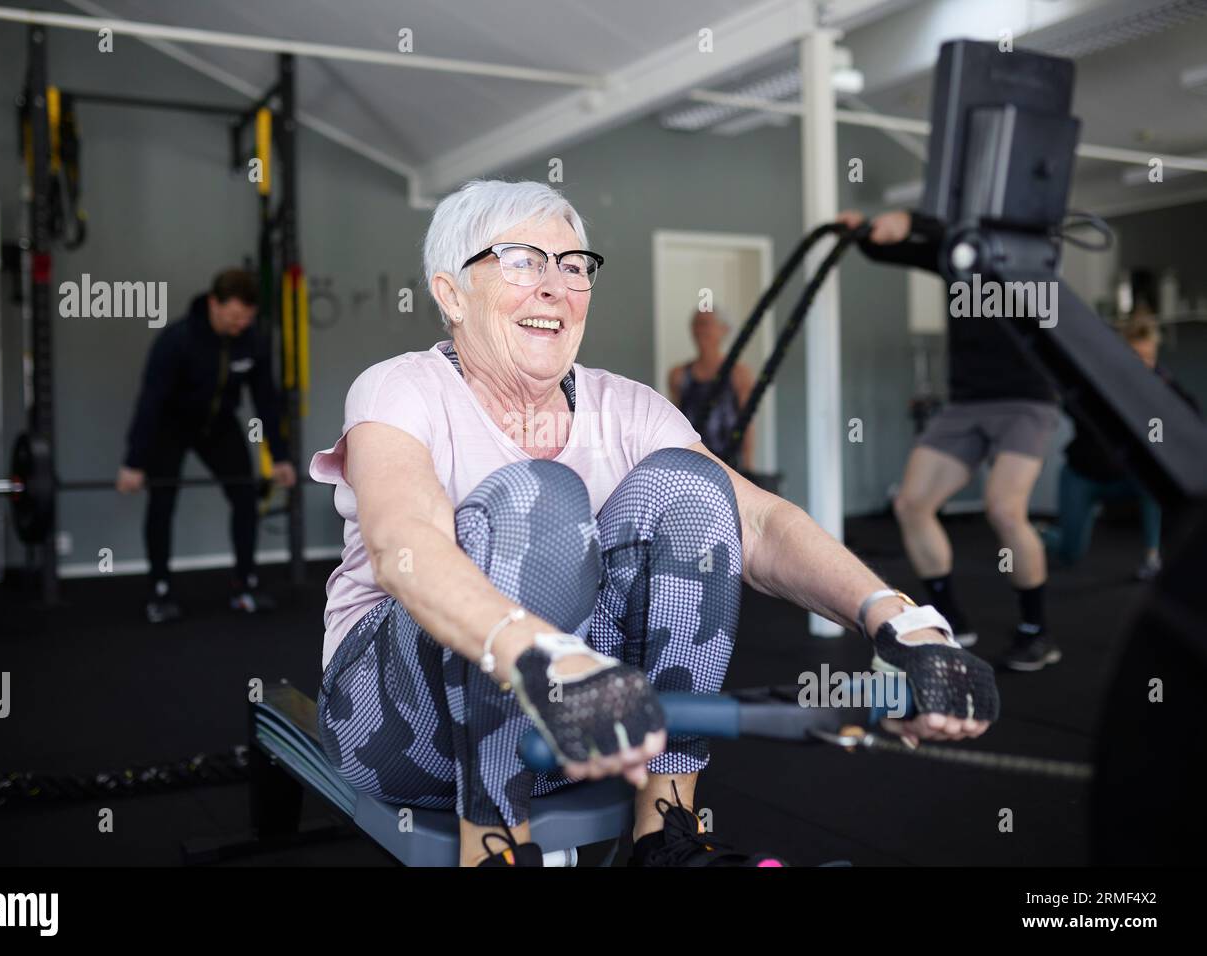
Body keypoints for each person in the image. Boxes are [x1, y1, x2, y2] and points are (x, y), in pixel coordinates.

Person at [310, 180, 999, 867]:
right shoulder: (403, 388)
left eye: (573, 266)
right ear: (452, 294)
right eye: (523, 261)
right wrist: (545, 657)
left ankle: (665, 832)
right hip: (402, 731)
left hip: (584, 722)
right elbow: (405, 545)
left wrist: (897, 620)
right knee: (537, 496)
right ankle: (493, 848)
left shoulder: (627, 406)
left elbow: (757, 523)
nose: (555, 287)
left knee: (694, 486)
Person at [841, 208, 1061, 672]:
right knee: (911, 503)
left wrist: (910, 218)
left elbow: (943, 233)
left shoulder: (1027, 247)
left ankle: (1035, 631)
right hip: (966, 401)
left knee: (1004, 509)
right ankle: (951, 616)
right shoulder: (954, 254)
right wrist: (865, 230)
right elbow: (895, 249)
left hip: (1026, 396)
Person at [118, 268, 297, 623]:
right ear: (214, 303)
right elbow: (150, 402)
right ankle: (160, 590)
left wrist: (280, 456)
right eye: (233, 317)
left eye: (245, 319)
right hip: (171, 426)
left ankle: (244, 584)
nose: (239, 325)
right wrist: (134, 462)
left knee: (245, 497)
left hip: (218, 426)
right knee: (162, 500)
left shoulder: (253, 341)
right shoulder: (177, 340)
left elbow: (266, 401)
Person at [1039, 308, 1199, 579]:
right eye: (1137, 357)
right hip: (1084, 477)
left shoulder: (1161, 382)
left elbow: (1192, 413)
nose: (1145, 364)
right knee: (1069, 553)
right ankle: (1037, 534)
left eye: (1150, 357)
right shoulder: (1098, 382)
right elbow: (1071, 406)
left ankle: (1152, 556)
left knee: (1155, 477)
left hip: (1126, 479)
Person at [668, 309, 755, 471]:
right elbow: (676, 424)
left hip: (730, 463)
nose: (700, 330)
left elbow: (747, 422)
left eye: (706, 324)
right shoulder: (678, 375)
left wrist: (748, 466)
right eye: (696, 324)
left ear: (723, 330)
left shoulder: (739, 373)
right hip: (691, 463)